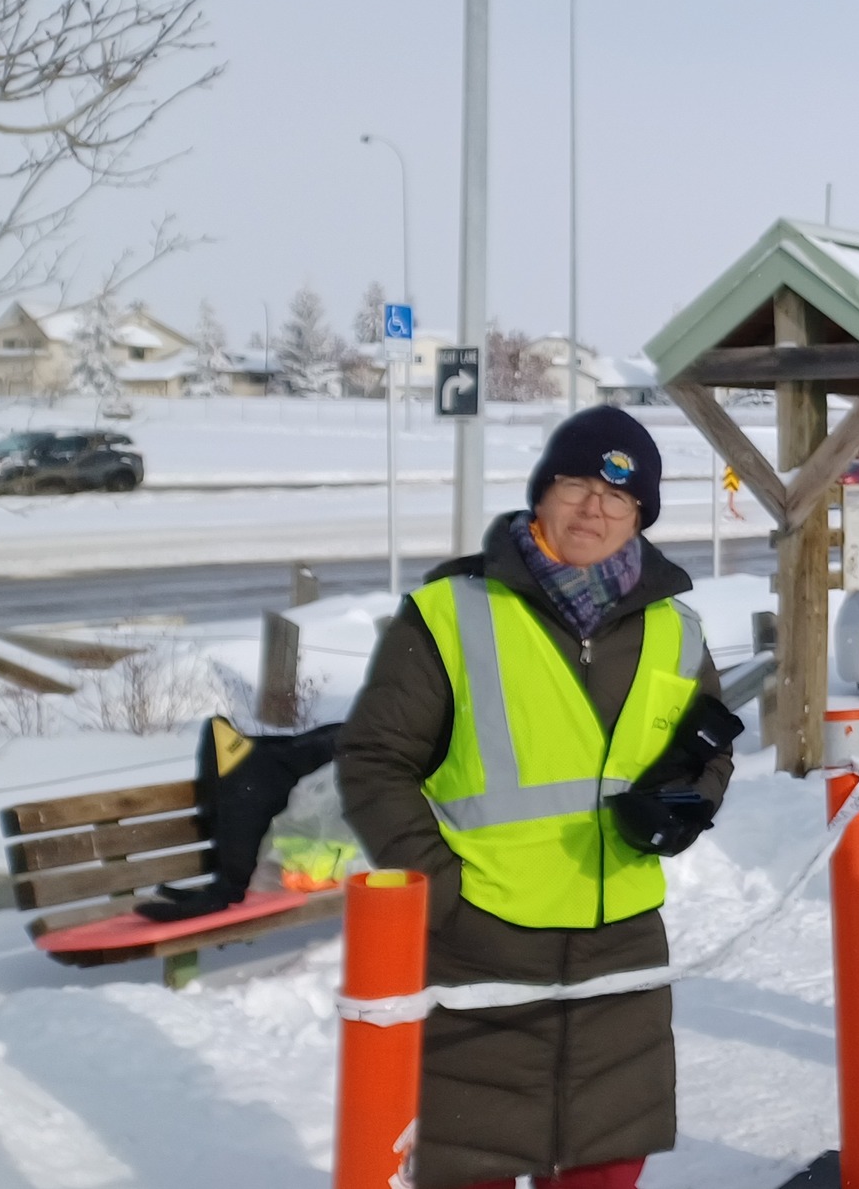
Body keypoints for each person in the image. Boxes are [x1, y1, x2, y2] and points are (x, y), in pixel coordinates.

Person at [340, 406, 735, 1189]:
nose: (594, 508)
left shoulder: (677, 628)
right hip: (482, 942)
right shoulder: (451, 613)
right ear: (541, 492)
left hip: (619, 942)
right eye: (577, 484)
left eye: (617, 497)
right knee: (472, 1162)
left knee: (607, 1162)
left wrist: (682, 808)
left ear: (640, 516)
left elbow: (706, 750)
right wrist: (441, 892)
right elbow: (374, 760)